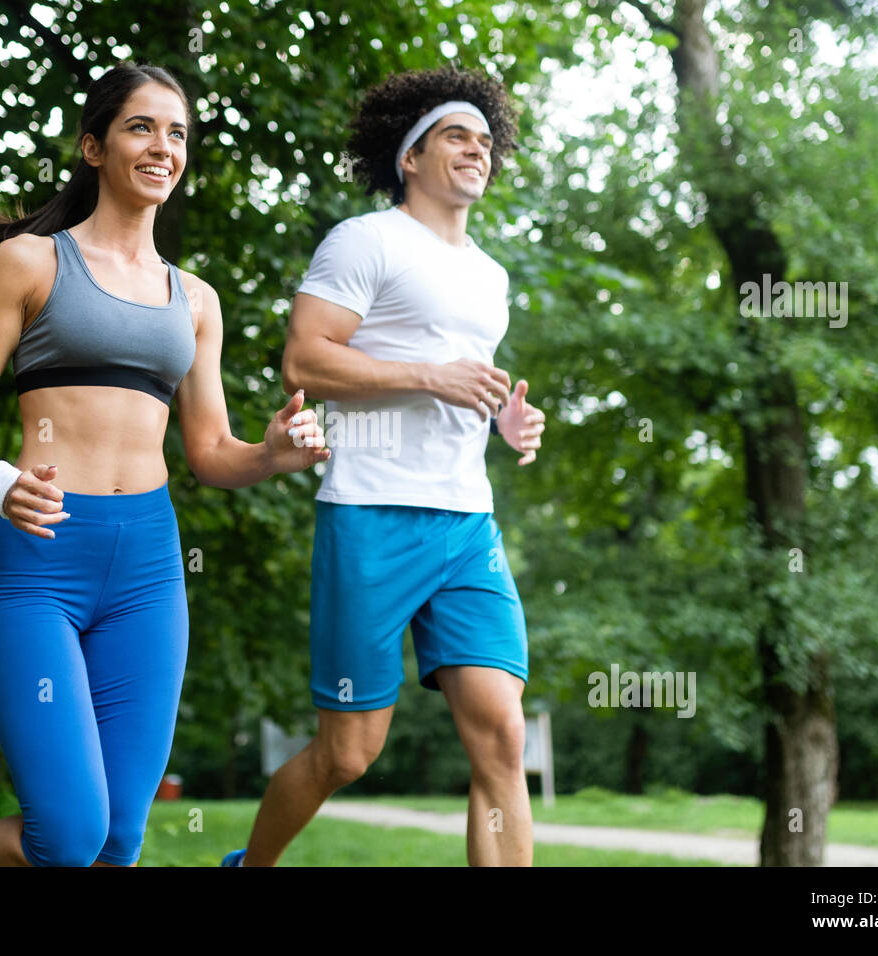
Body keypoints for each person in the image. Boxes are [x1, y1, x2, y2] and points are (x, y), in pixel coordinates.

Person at [0, 62, 328, 867]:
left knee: (118, 843)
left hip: (146, 567)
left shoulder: (195, 299)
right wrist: (0, 484)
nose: (162, 147)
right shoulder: (30, 263)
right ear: (93, 147)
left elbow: (208, 453)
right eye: (141, 127)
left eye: (177, 133)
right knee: (67, 836)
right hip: (40, 557)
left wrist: (272, 454)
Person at [222, 66, 546, 868]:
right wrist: (433, 378)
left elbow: (459, 378)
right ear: (411, 156)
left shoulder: (491, 276)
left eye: (484, 139)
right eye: (455, 136)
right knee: (347, 754)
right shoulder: (365, 241)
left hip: (467, 521)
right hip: (371, 512)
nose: (477, 150)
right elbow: (306, 360)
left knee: (503, 737)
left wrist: (504, 418)